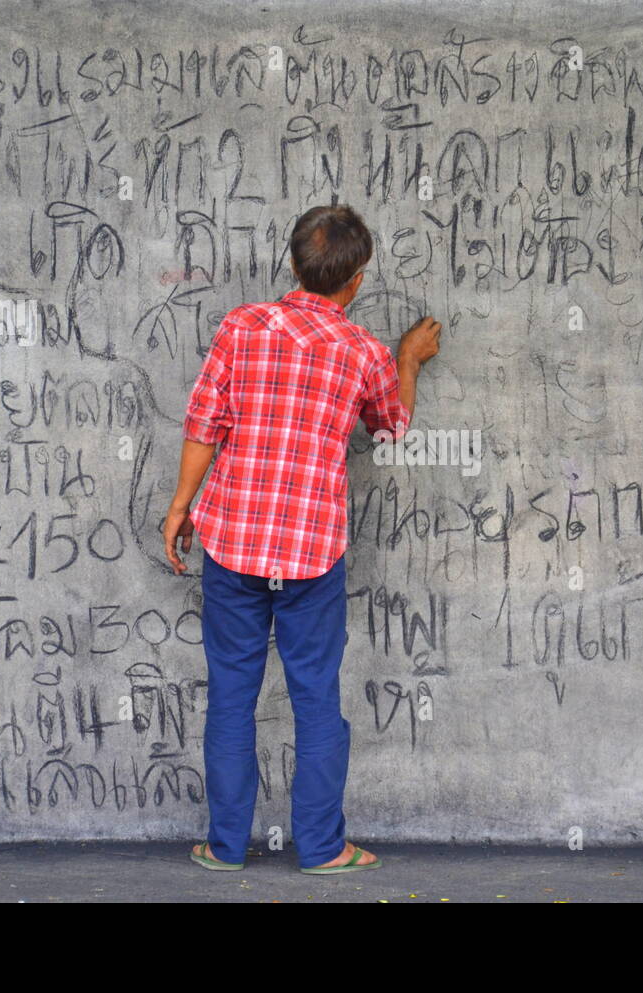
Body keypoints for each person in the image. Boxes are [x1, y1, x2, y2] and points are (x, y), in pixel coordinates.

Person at [162, 204, 440, 874]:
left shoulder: (242, 326)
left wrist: (180, 507)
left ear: (292, 264)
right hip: (313, 553)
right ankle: (321, 847)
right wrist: (409, 359)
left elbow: (206, 423)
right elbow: (389, 429)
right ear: (358, 282)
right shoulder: (363, 353)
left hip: (233, 542)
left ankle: (225, 846)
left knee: (232, 692)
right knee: (317, 697)